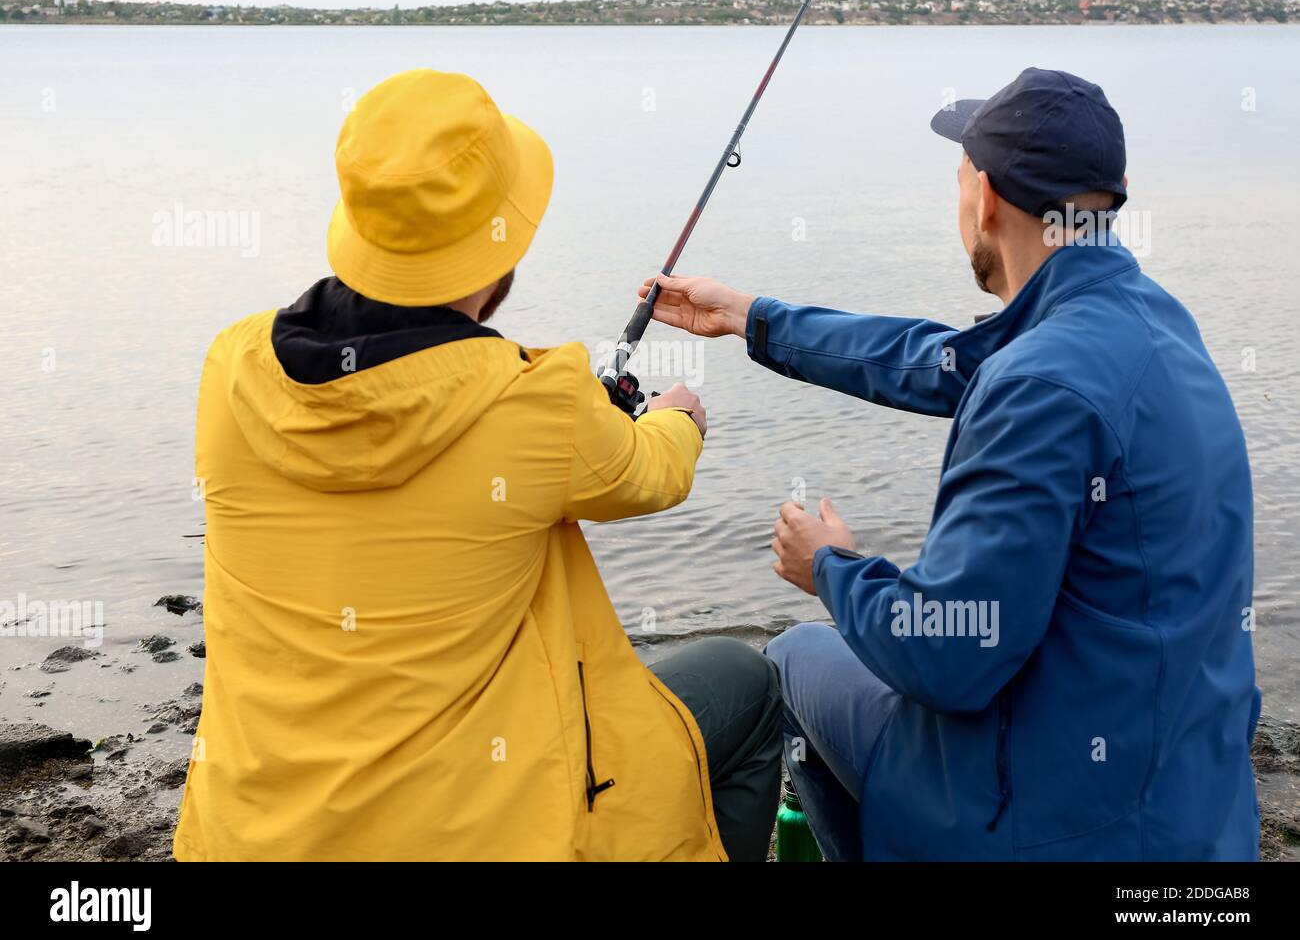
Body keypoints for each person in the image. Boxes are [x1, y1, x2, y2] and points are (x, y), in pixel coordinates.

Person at [637, 68, 1260, 861]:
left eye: (959, 177)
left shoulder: (1038, 383)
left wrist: (831, 567)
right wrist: (751, 317)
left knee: (792, 660)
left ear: (987, 198)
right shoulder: (1151, 322)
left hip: (1059, 821)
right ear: (1113, 192)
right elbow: (935, 359)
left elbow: (951, 656)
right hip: (1194, 807)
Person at [173, 69, 781, 862]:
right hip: (470, 836)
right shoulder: (536, 406)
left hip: (245, 837)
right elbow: (652, 472)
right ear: (502, 251)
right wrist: (678, 417)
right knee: (748, 684)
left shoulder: (231, 369)